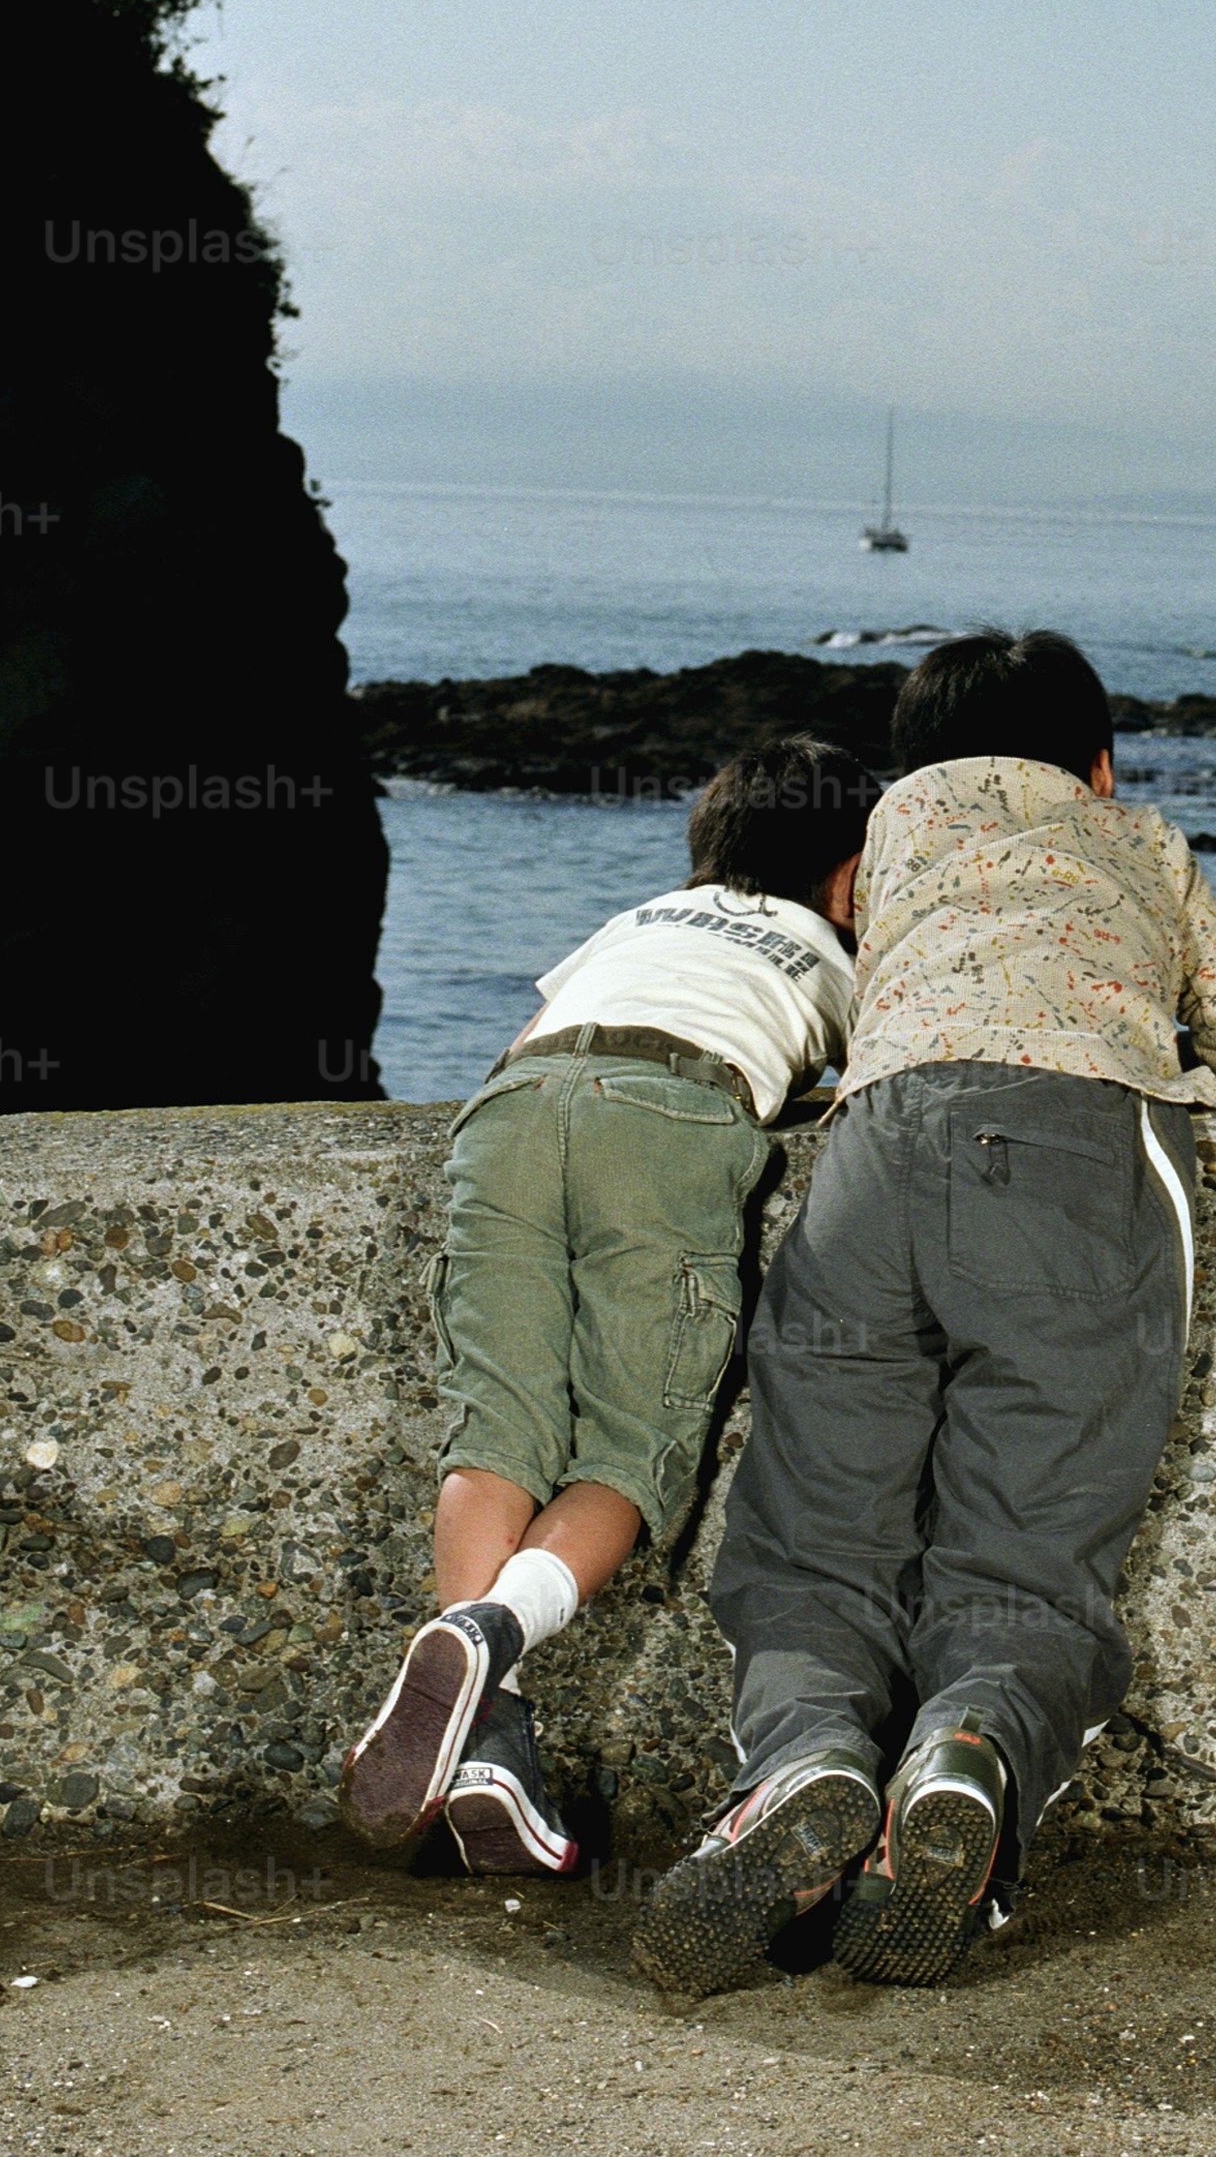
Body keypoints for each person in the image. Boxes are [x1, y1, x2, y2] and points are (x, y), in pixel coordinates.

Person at [635, 628, 1216, 2000]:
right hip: (1074, 1154)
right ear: (1100, 759)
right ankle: (968, 1749)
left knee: (813, 1523)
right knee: (1030, 1536)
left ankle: (808, 1757)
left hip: (878, 1153)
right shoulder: (1139, 835)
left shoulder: (888, 831)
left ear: (911, 762)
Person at [338, 736, 877, 1874]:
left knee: (497, 1434)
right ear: (845, 880)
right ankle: (485, 1632)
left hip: (520, 1108)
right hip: (672, 1118)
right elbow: (882, 1077)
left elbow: (525, 1045)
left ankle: (491, 1746)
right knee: (629, 1451)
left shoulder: (638, 921)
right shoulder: (833, 953)